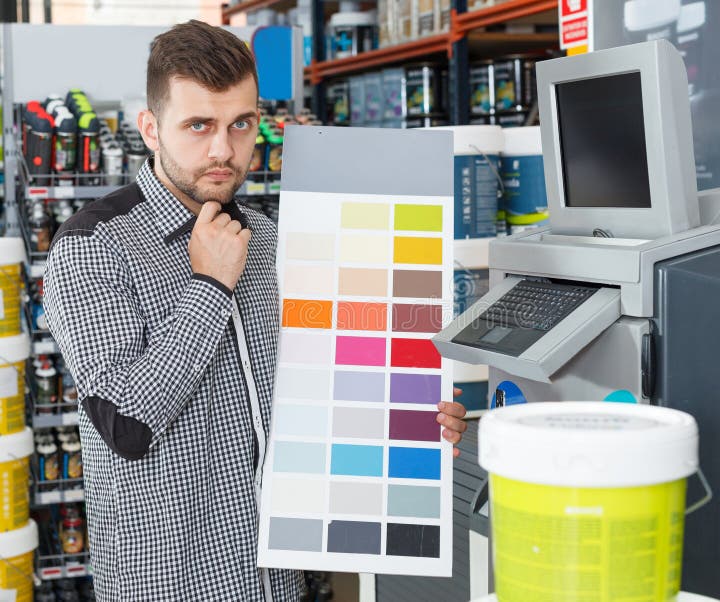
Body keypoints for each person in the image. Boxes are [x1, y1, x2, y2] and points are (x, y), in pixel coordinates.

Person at [43, 20, 468, 602]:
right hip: (168, 584)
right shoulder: (92, 246)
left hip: (272, 577)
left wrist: (412, 419)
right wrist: (209, 284)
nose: (223, 150)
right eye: (198, 126)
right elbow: (127, 423)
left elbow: (316, 391)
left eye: (240, 124)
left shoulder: (271, 240)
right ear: (150, 129)